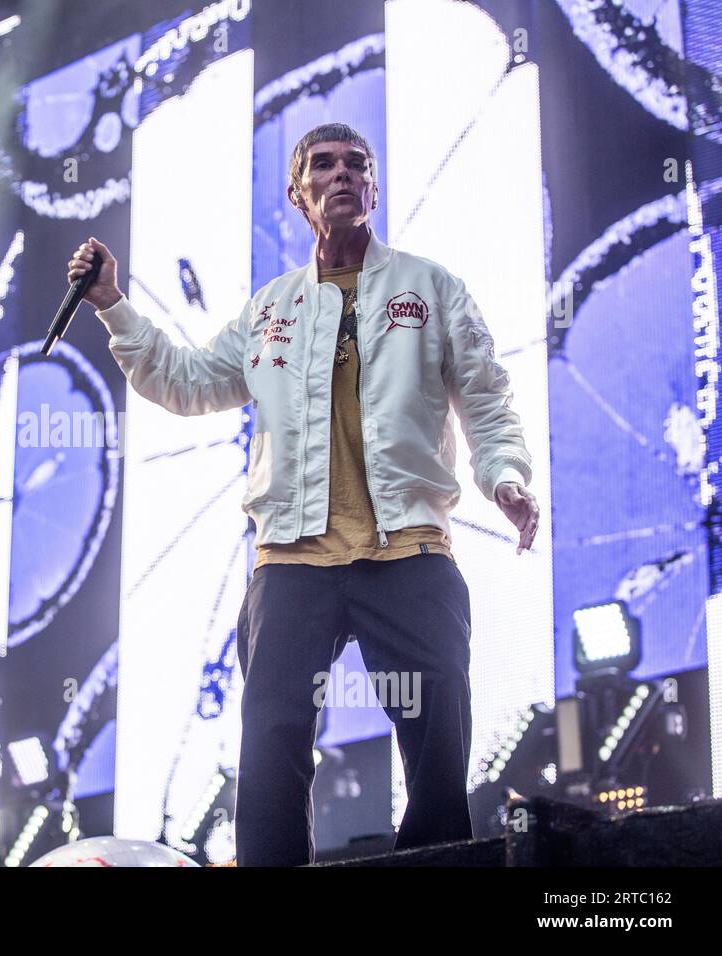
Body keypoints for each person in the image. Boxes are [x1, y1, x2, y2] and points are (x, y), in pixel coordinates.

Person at [67, 122, 539, 867]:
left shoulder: (430, 286)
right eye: (324, 164)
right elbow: (187, 382)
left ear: (375, 188)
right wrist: (113, 304)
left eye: (358, 164)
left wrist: (504, 475)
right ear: (298, 193)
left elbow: (485, 395)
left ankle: (436, 864)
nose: (343, 174)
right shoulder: (271, 310)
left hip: (408, 547)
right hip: (293, 559)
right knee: (273, 737)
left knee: (438, 723)